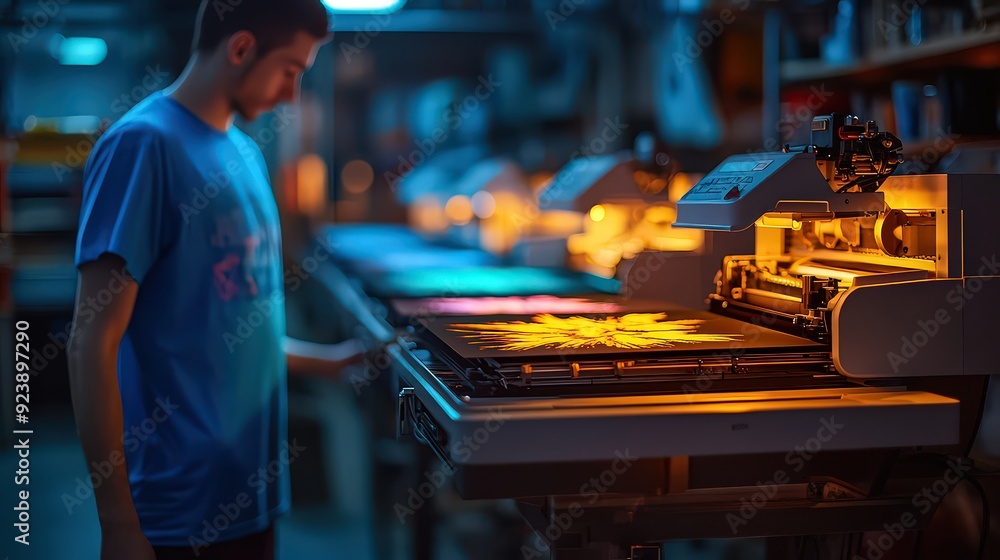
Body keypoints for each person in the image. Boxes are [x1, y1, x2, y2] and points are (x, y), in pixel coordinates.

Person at [66, 1, 355, 559]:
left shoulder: (244, 154)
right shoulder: (143, 146)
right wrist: (119, 525)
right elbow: (90, 341)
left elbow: (223, 325)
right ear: (242, 48)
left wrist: (330, 361)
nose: (292, 95)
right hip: (176, 511)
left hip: (253, 495)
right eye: (291, 71)